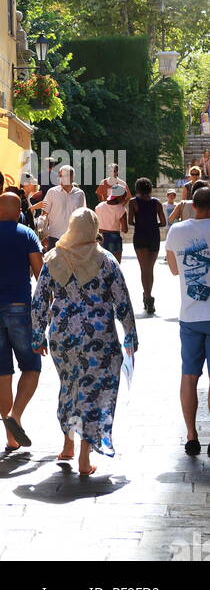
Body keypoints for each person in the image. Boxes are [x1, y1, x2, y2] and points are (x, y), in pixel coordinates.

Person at [31, 207, 138, 476]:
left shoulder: (54, 258)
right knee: (92, 391)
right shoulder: (106, 260)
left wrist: (37, 334)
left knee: (70, 385)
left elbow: (39, 301)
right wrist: (130, 334)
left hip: (62, 337)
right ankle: (83, 457)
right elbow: (122, 300)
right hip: (99, 338)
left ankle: (67, 444)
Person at [0, 192, 44, 451]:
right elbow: (40, 274)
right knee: (31, 366)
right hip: (19, 307)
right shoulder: (26, 234)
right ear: (19, 211)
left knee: (2, 373)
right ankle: (15, 415)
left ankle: (10, 436)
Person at [165, 185, 210, 456]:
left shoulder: (177, 231)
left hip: (191, 314)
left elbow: (172, 270)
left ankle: (191, 435)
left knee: (189, 376)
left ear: (193, 205)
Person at [127, 178, 166, 314]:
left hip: (140, 236)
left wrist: (140, 223)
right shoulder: (156, 203)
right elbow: (163, 222)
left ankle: (148, 297)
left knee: (144, 269)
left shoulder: (133, 202)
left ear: (137, 189)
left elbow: (130, 221)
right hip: (153, 236)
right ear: (150, 188)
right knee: (150, 268)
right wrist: (153, 225)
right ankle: (148, 297)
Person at [38, 165, 85, 247]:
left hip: (74, 238)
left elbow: (83, 216)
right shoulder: (52, 192)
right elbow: (44, 214)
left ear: (72, 177)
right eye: (59, 175)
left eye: (64, 175)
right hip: (54, 238)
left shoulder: (80, 194)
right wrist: (43, 235)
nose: (61, 178)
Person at [95, 181, 128, 262]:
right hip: (114, 238)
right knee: (115, 265)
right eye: (123, 196)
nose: (124, 199)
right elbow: (125, 229)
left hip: (100, 237)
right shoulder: (121, 209)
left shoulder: (99, 206)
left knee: (101, 265)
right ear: (119, 196)